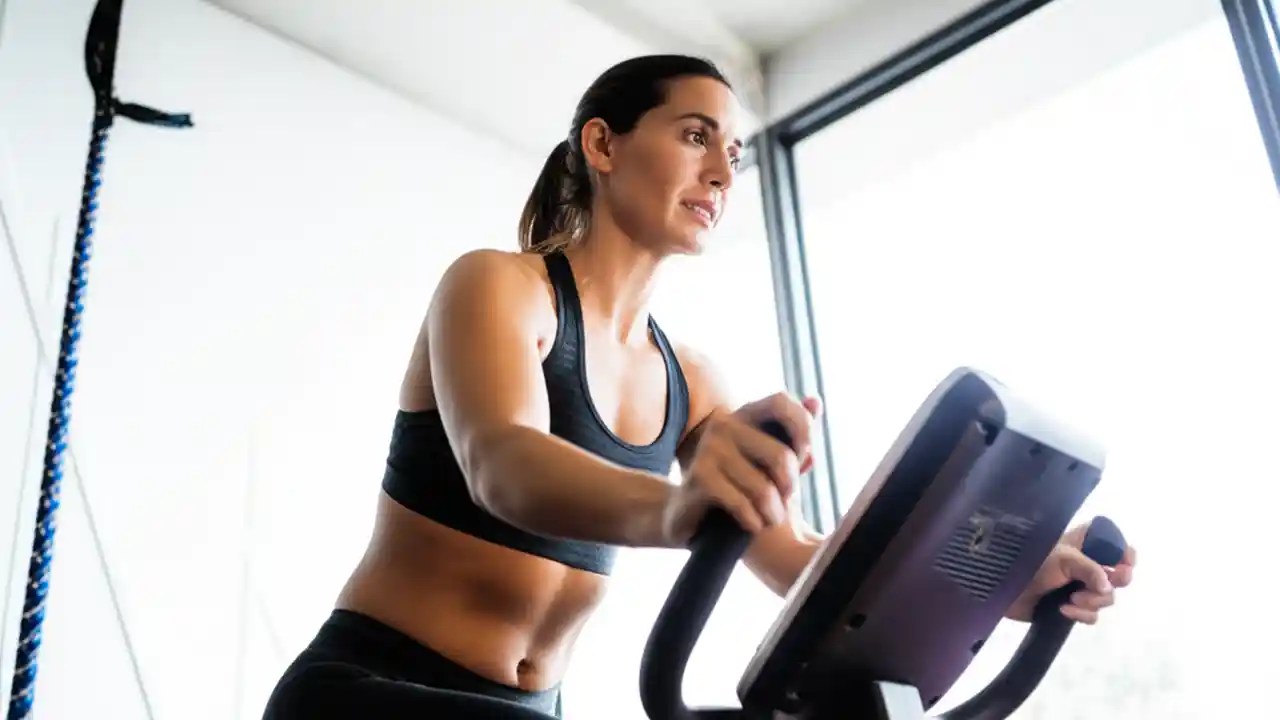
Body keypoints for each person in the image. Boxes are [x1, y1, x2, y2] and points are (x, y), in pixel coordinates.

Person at [261, 54, 1137, 719]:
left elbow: (800, 565)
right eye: (694, 136)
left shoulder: (691, 380)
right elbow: (505, 465)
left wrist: (1004, 576)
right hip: (370, 687)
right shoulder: (500, 287)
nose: (723, 171)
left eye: (735, 152)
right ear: (602, 144)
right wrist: (677, 510)